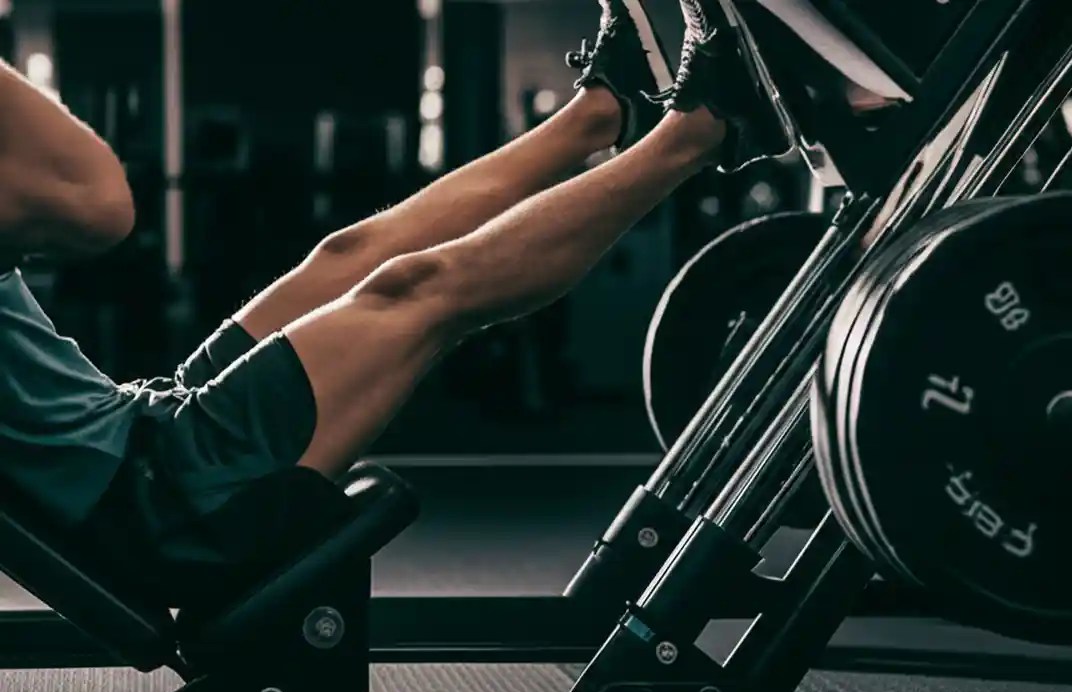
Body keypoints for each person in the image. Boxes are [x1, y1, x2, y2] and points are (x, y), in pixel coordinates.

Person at [0, 0, 803, 607]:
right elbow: (98, 203)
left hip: (143, 427)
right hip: (163, 497)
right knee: (413, 293)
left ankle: (600, 115)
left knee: (347, 257)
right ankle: (705, 129)